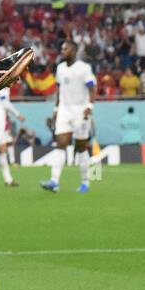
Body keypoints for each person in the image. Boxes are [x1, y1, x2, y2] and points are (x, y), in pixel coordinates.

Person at [40, 37, 96, 193]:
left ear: (74, 51)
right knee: (61, 143)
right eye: (62, 49)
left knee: (81, 148)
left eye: (66, 49)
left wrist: (90, 106)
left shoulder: (84, 68)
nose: (63, 51)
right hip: (64, 110)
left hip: (80, 111)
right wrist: (56, 111)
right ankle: (54, 181)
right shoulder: (60, 68)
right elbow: (59, 91)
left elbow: (92, 89)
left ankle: (85, 182)